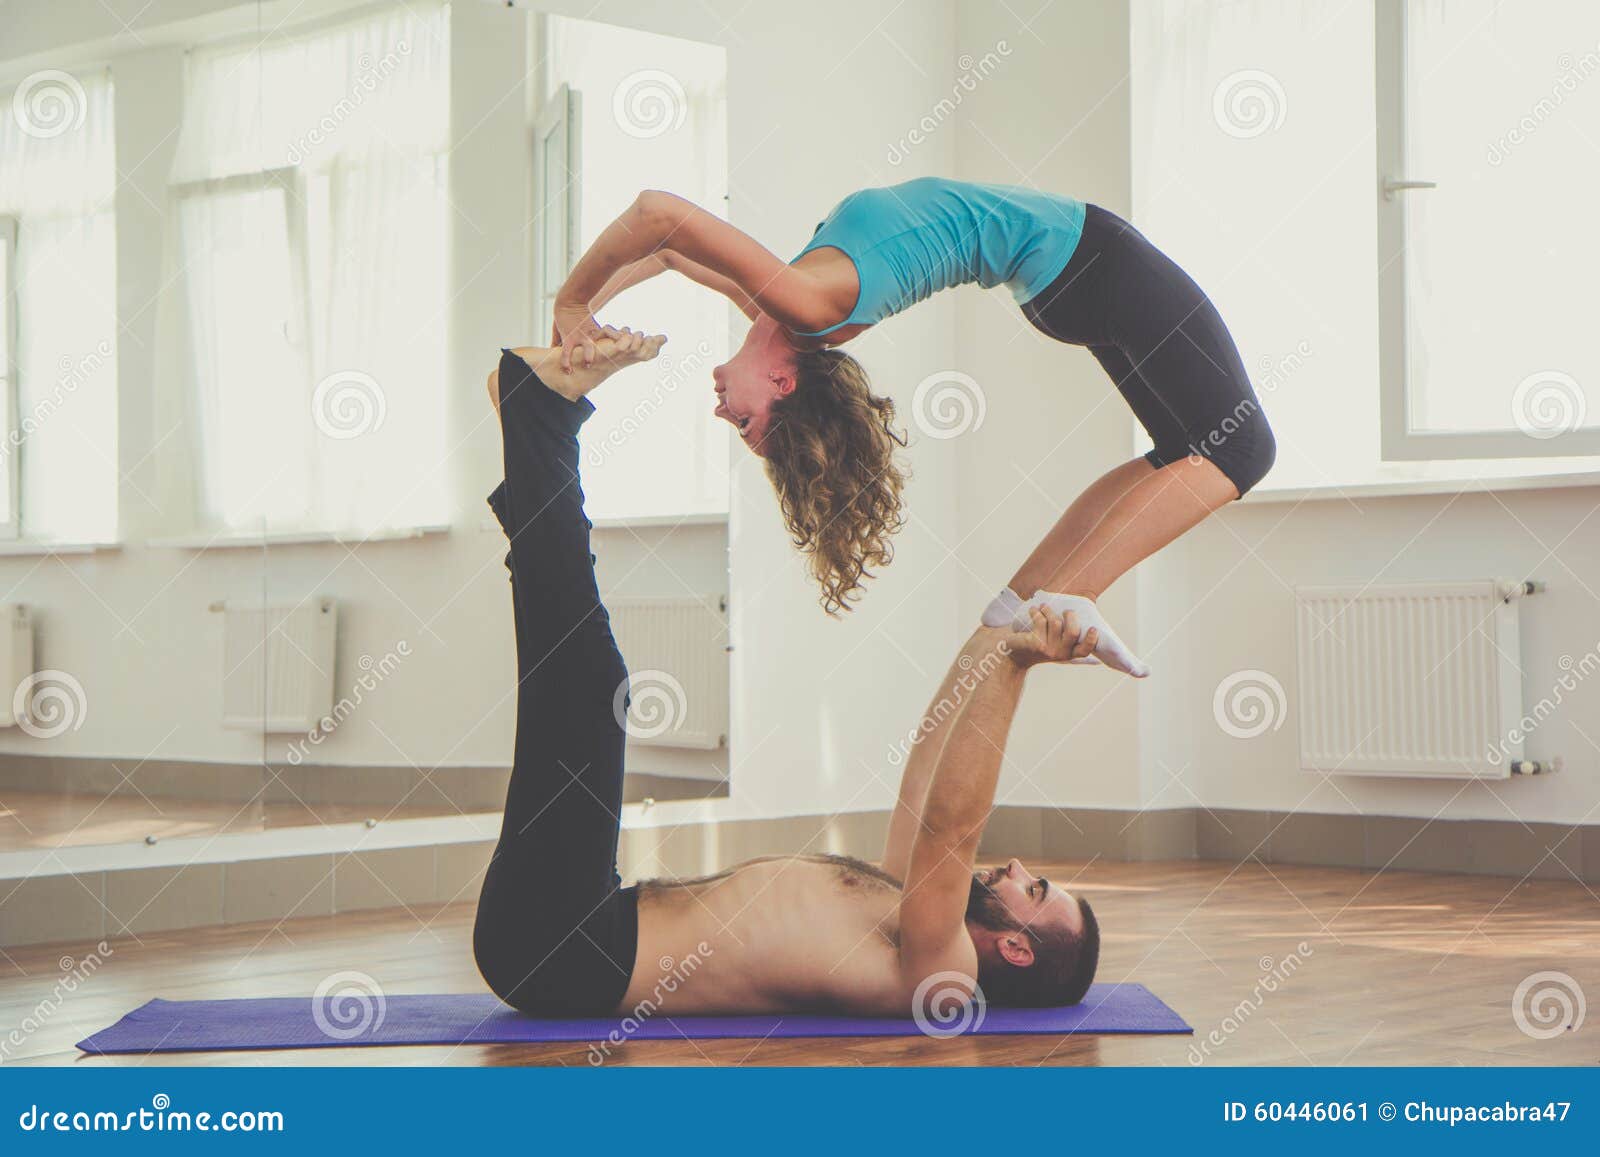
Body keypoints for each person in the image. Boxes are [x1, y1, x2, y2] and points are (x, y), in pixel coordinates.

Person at [473, 332, 1100, 1021]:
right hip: (573, 916)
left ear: (1016, 947)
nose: (1017, 870)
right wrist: (998, 630)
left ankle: (541, 425)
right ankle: (532, 442)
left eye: (1035, 890)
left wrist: (1017, 666)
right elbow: (927, 775)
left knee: (595, 691)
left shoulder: (940, 972)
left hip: (567, 952)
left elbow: (954, 822)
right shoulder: (906, 905)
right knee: (572, 674)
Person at [549, 177, 1277, 675]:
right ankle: (1070, 590)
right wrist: (575, 298)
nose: (719, 409)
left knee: (1188, 450)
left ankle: (1023, 596)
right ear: (782, 383)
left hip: (1065, 282)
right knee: (1245, 446)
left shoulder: (777, 305)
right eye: (744, 422)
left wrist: (571, 330)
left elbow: (669, 248)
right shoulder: (803, 303)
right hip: (1094, 262)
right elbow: (655, 212)